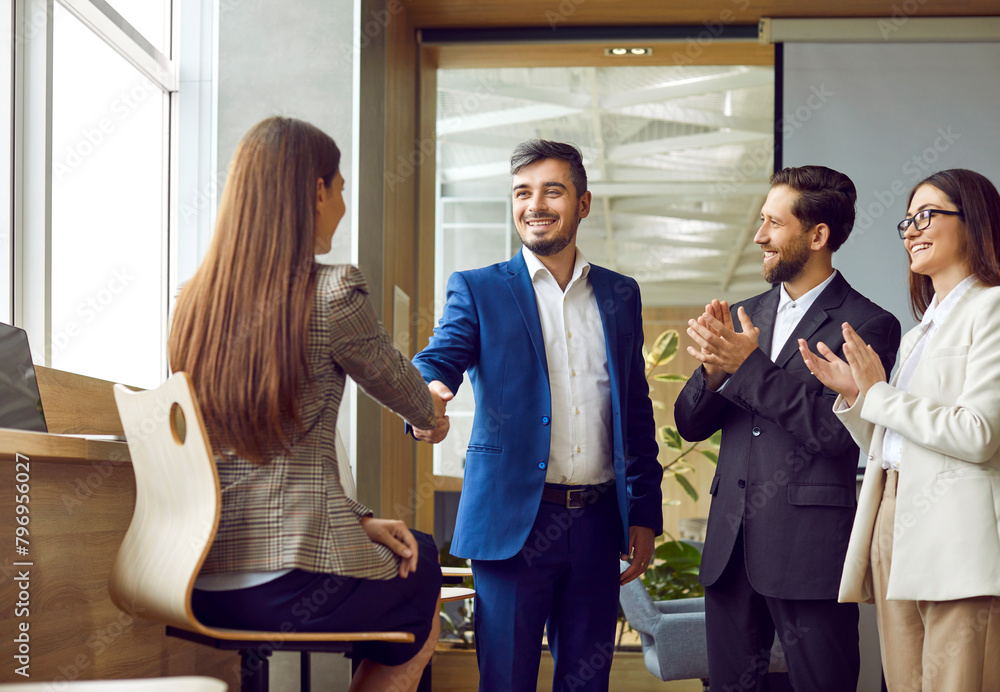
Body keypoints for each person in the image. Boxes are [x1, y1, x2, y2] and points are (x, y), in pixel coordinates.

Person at [167, 116, 441, 692]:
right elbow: (412, 398)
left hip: (192, 579)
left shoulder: (191, 305)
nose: (342, 205)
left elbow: (245, 457)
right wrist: (433, 414)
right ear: (317, 190)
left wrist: (359, 520)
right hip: (287, 583)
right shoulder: (334, 291)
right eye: (340, 189)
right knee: (424, 567)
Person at [410, 139, 663, 691]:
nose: (535, 205)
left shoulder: (621, 295)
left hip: (598, 523)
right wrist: (429, 396)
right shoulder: (479, 288)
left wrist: (643, 510)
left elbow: (634, 409)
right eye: (522, 192)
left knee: (586, 682)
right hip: (512, 524)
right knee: (506, 680)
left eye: (553, 191)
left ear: (584, 203)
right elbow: (440, 357)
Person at [674, 165, 901, 691]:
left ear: (818, 235)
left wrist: (747, 367)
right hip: (730, 550)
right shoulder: (742, 314)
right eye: (761, 221)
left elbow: (834, 433)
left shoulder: (868, 324)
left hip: (809, 553)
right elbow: (689, 425)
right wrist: (712, 373)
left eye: (773, 224)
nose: (759, 237)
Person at [800, 168, 1000, 691]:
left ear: (975, 222)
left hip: (956, 533)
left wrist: (880, 394)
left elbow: (978, 435)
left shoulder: (993, 307)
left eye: (927, 215)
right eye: (907, 220)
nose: (911, 229)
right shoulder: (916, 335)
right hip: (892, 514)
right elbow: (895, 441)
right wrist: (858, 397)